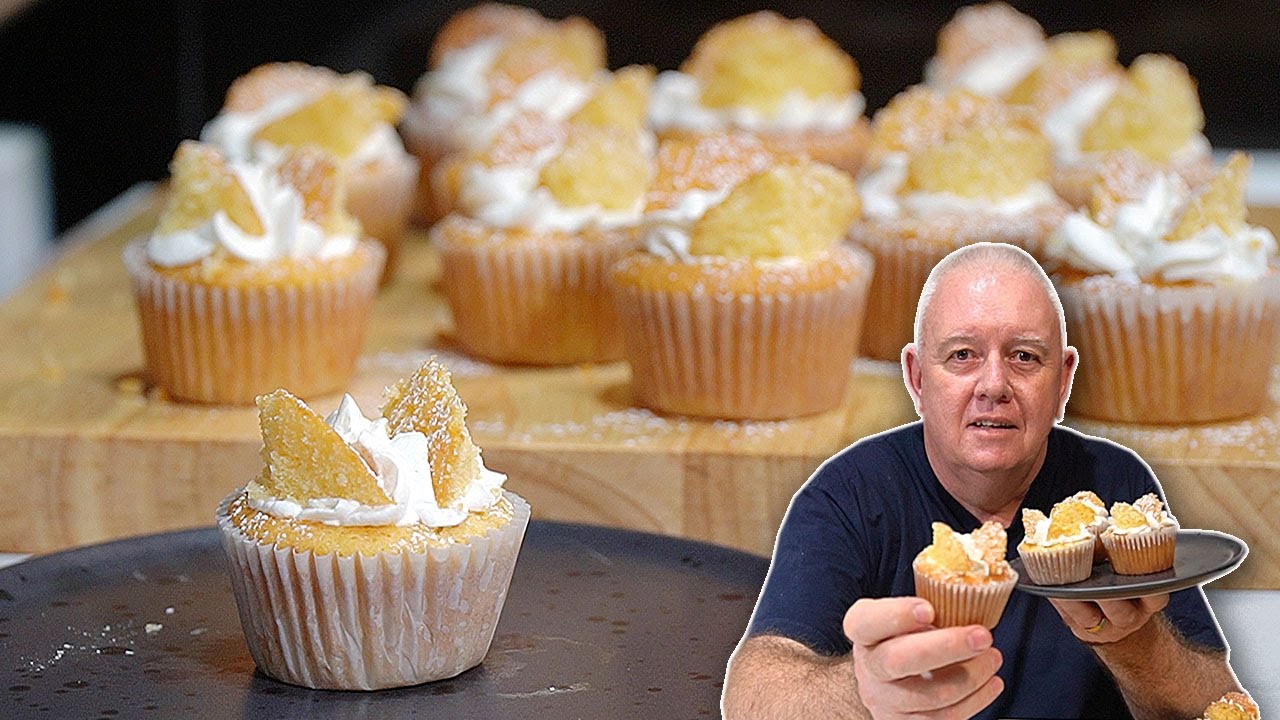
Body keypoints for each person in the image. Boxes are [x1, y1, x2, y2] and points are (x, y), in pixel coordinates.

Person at [721, 243, 1242, 719]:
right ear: (917, 378)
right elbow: (752, 691)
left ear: (1062, 381)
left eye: (1024, 357)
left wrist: (1131, 642)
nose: (993, 385)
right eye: (962, 355)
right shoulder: (849, 495)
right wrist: (865, 692)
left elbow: (1219, 704)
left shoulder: (1111, 485)